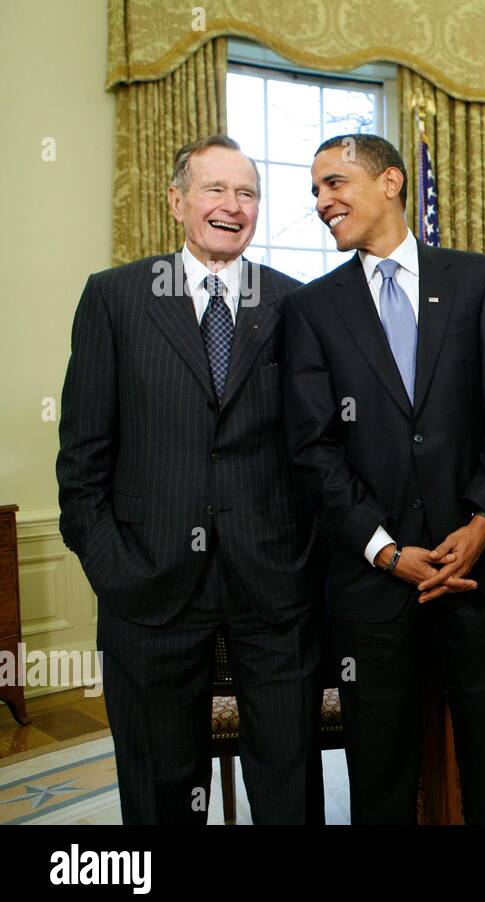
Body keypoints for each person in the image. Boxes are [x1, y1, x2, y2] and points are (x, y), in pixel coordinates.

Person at [56, 135, 320, 824]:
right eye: (215, 190)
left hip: (274, 584)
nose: (232, 207)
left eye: (247, 194)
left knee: (289, 786)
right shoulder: (114, 299)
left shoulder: (296, 305)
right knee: (160, 789)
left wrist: (305, 559)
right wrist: (117, 572)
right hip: (148, 588)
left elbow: (319, 451)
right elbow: (82, 461)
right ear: (177, 202)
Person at [282, 134, 485, 824]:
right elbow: (312, 450)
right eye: (316, 191)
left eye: (334, 183)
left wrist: (482, 522)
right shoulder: (312, 309)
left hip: (476, 573)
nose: (322, 202)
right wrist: (385, 550)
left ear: (390, 181)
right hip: (371, 589)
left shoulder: (478, 281)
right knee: (381, 784)